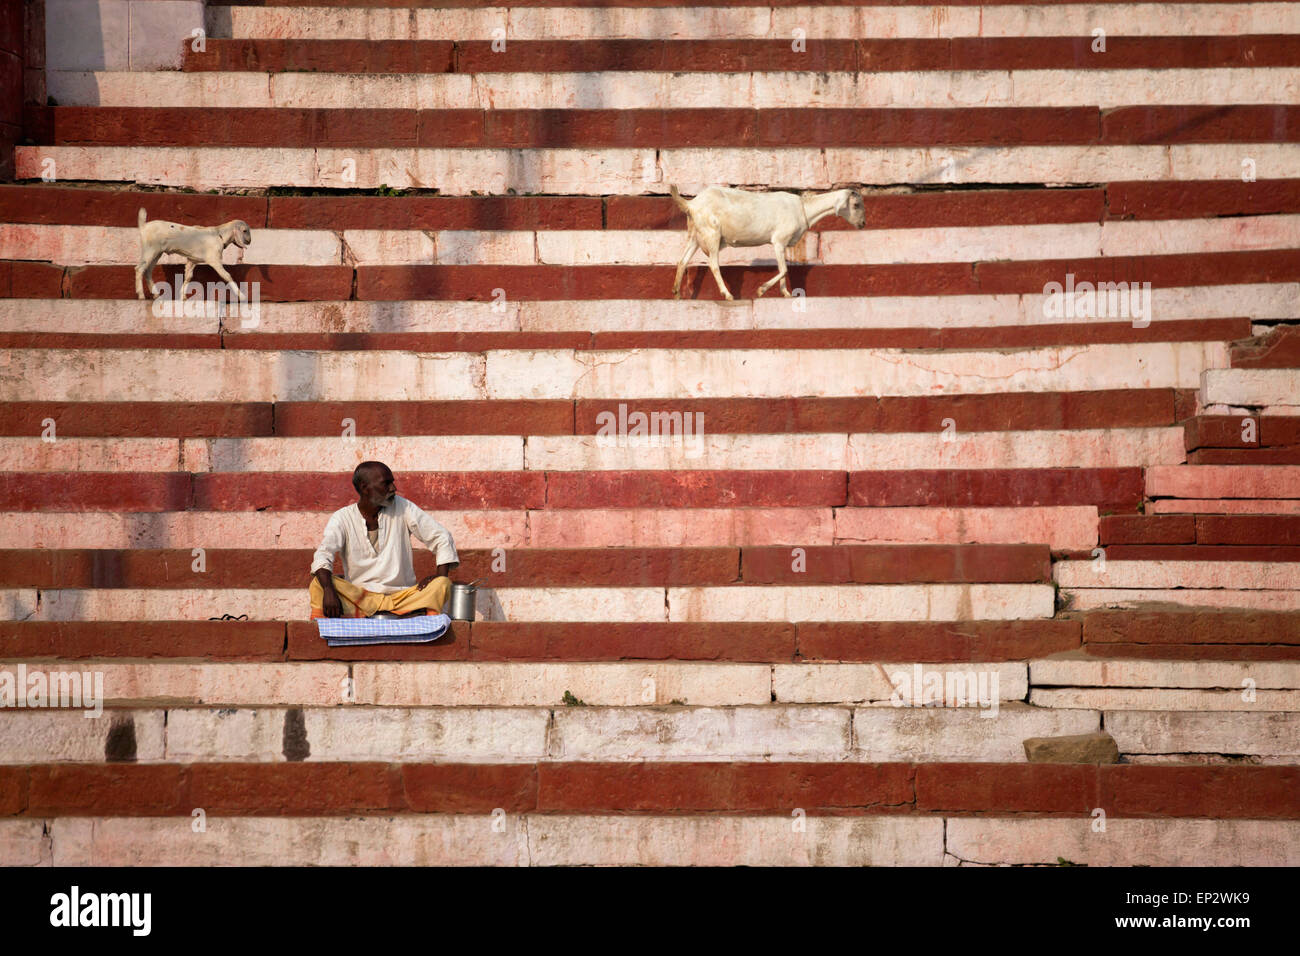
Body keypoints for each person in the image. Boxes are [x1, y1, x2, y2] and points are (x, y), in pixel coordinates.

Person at [309, 461, 458, 619]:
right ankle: (399, 615)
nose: (393, 488)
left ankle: (379, 614)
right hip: (361, 598)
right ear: (365, 488)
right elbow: (323, 554)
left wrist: (440, 575)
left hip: (403, 597)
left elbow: (441, 536)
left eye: (392, 482)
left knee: (442, 584)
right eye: (386, 483)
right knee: (319, 584)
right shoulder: (342, 517)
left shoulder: (403, 507)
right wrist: (329, 590)